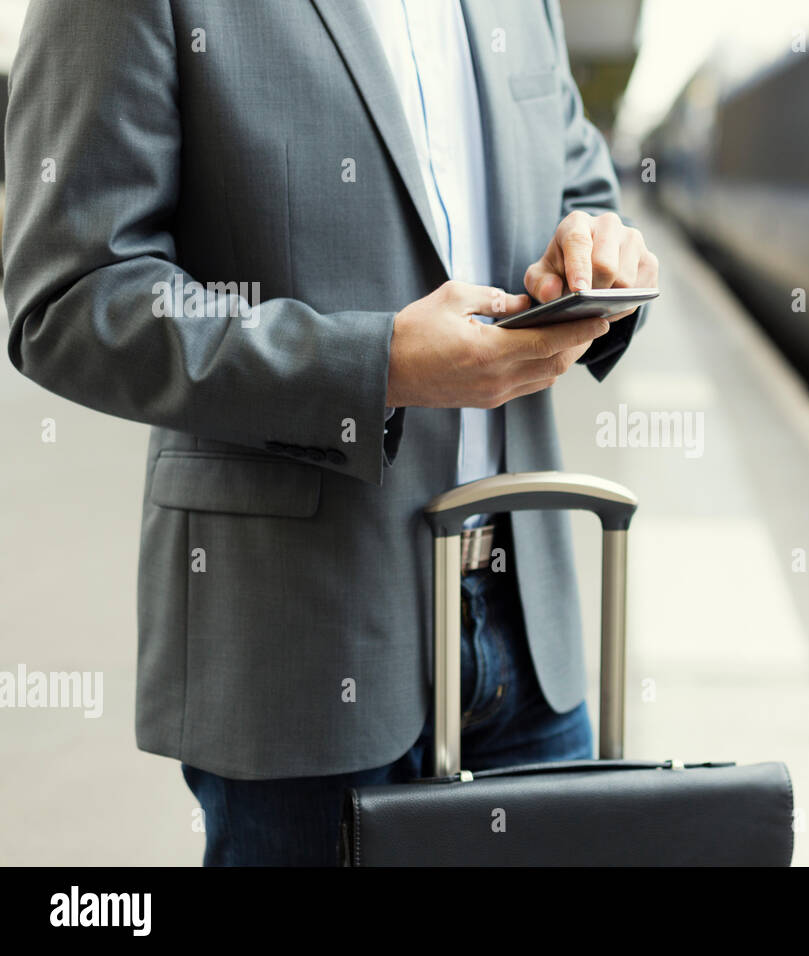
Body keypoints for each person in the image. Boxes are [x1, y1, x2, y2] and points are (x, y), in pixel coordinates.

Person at [3, 0, 657, 866]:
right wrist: (371, 365)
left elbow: (583, 195)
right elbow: (70, 298)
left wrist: (598, 260)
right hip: (299, 645)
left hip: (529, 635)